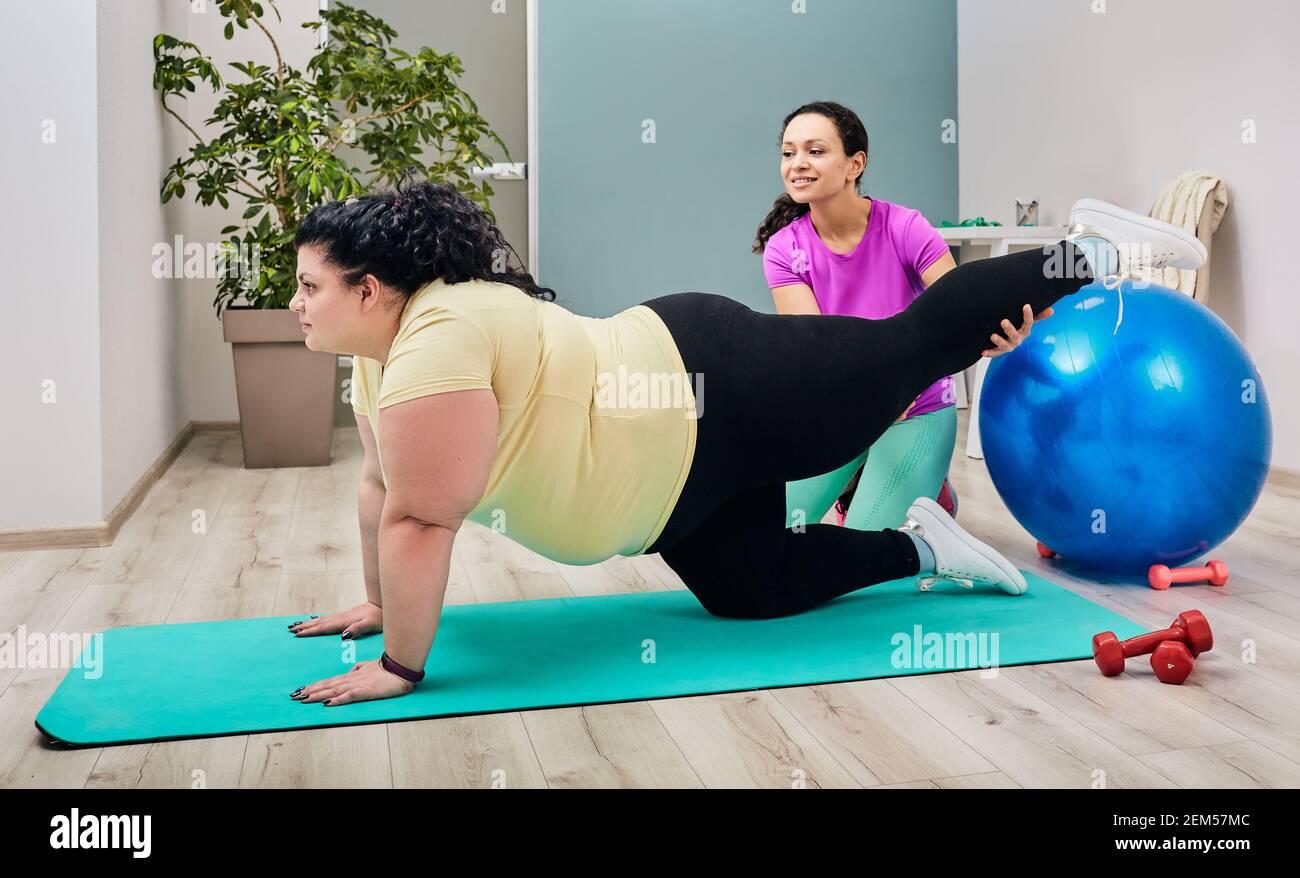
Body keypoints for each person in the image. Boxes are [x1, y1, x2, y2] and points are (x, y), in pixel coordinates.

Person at [284, 173, 1205, 707]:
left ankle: (1088, 252)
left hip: (708, 385)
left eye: (310, 288)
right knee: (751, 591)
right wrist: (375, 605)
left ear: (370, 289)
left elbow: (419, 518)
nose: (294, 307)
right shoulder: (381, 355)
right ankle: (929, 543)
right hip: (672, 498)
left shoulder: (439, 338)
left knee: (905, 351)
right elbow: (380, 488)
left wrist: (401, 665)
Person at [756, 101, 971, 537]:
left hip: (916, 408)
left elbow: (961, 308)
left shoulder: (905, 227)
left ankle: (929, 496)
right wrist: (865, 400)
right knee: (767, 535)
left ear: (855, 164)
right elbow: (813, 349)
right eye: (788, 152)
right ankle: (863, 479)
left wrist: (997, 329)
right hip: (843, 408)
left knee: (857, 553)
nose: (798, 164)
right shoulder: (784, 249)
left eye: (815, 151)